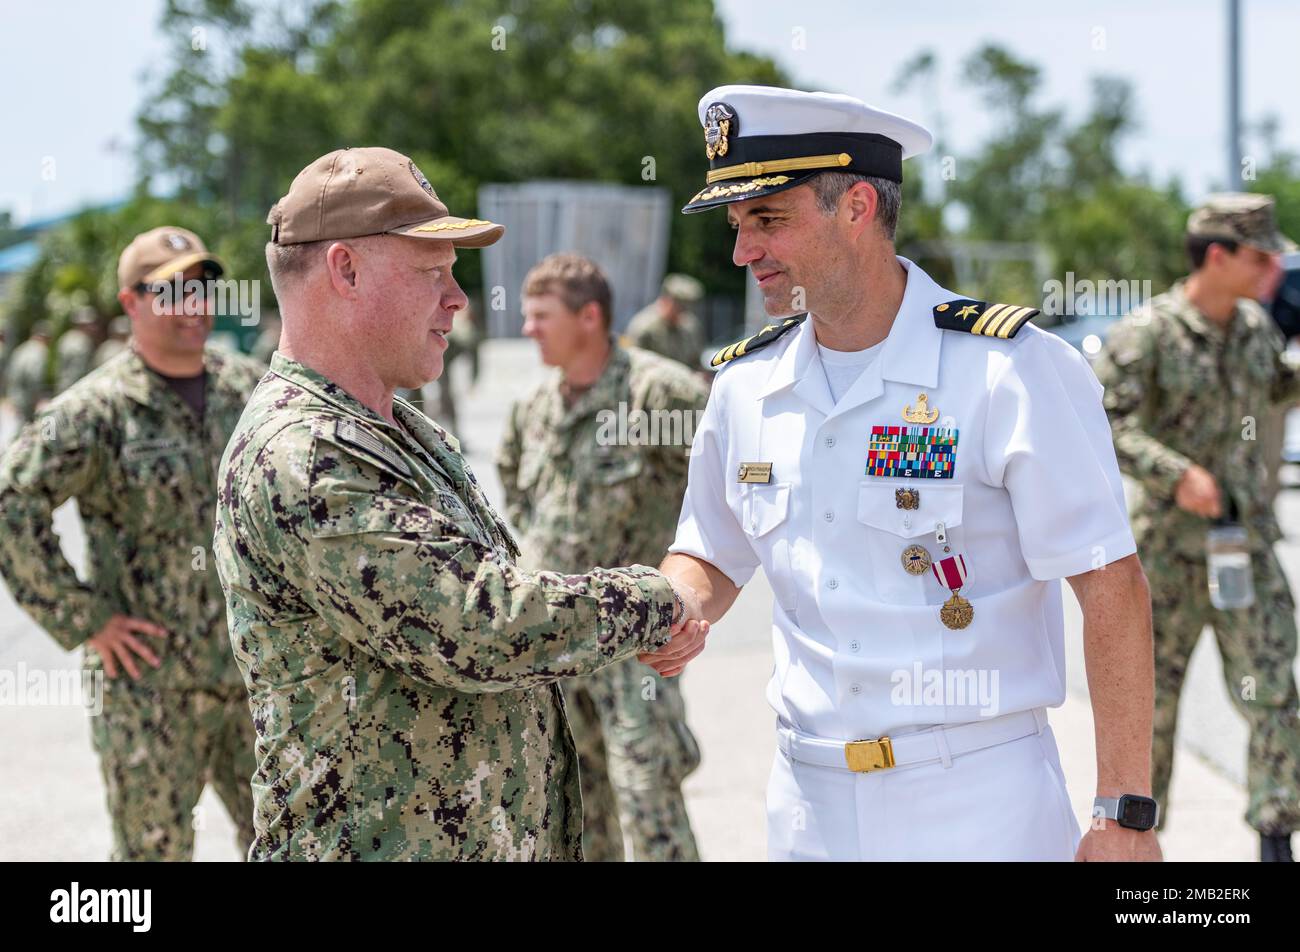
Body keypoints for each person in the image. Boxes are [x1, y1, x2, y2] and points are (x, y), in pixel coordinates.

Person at [652, 84, 1161, 862]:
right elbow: (712, 553)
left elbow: (1109, 584)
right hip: (807, 804)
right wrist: (668, 606)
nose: (741, 251)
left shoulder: (1008, 371)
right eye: (737, 225)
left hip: (976, 803)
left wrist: (1121, 813)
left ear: (856, 206)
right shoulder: (744, 385)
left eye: (768, 220)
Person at [211, 147, 708, 861]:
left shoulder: (399, 427)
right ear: (344, 270)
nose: (458, 300)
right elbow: (477, 624)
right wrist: (655, 600)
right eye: (431, 273)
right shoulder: (305, 453)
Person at [0, 226, 265, 860]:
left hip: (255, 677)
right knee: (152, 857)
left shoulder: (253, 392)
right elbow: (13, 506)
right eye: (171, 291)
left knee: (288, 844)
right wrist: (86, 618)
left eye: (202, 288)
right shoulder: (95, 411)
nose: (193, 305)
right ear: (130, 303)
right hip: (149, 691)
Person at [1093, 193, 1300, 862]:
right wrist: (1176, 474)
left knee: (1273, 690)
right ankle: (1140, 840)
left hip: (1246, 547)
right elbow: (1106, 424)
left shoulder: (1254, 329)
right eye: (1262, 255)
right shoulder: (1146, 333)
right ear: (1219, 255)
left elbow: (1273, 386)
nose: (1274, 267)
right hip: (1167, 557)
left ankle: (1276, 834)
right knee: (1150, 707)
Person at [498, 253, 707, 861]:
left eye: (542, 315)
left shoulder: (658, 393)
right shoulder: (533, 407)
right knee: (576, 806)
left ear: (589, 317)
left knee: (650, 798)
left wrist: (686, 587)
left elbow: (721, 494)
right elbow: (515, 488)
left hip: (635, 642)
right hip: (558, 641)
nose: (528, 328)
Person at [625, 273, 707, 371]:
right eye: (680, 307)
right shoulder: (643, 327)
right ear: (667, 300)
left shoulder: (690, 327)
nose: (683, 313)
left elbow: (697, 363)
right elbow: (631, 365)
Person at [6, 322, 51, 426]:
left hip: (15, 396)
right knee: (26, 430)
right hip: (27, 399)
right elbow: (34, 376)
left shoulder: (21, 348)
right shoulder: (39, 350)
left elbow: (11, 373)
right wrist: (38, 399)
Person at [56, 306, 99, 393]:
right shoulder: (83, 341)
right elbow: (79, 371)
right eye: (90, 324)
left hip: (62, 387)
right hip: (75, 389)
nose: (93, 328)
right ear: (82, 325)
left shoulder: (66, 337)